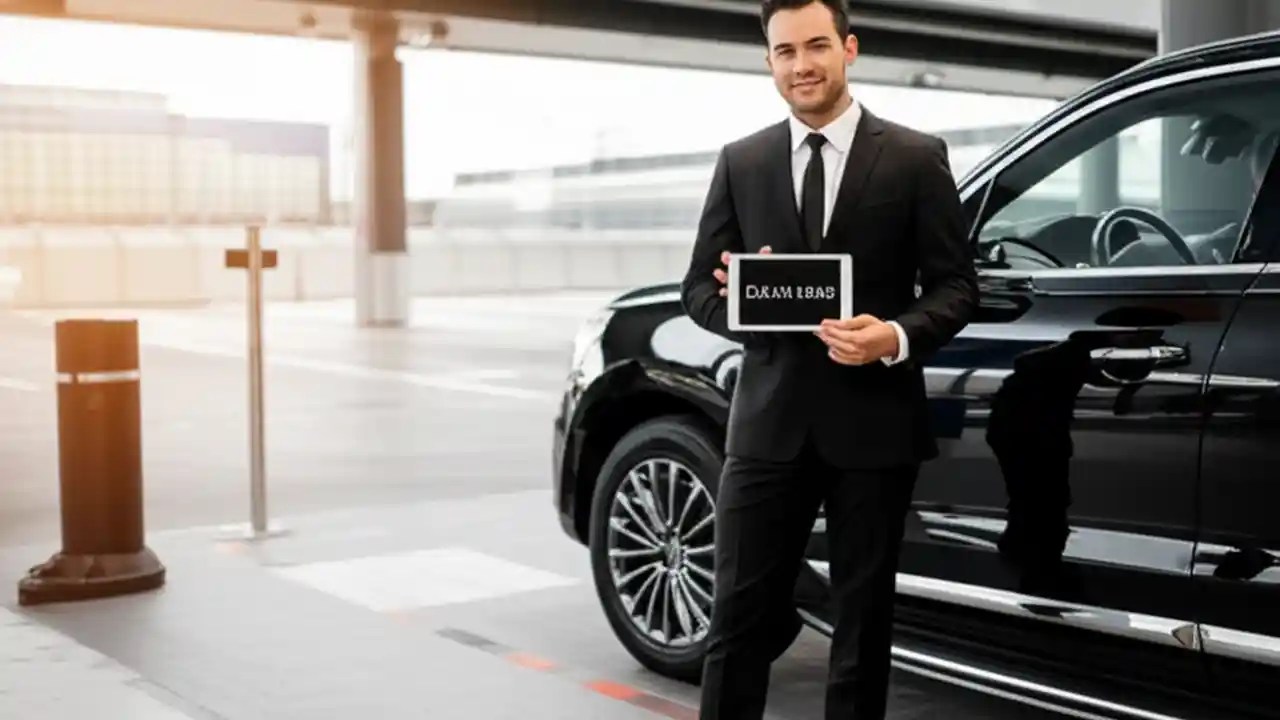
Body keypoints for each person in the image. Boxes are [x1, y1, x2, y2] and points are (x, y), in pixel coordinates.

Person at [678, 1, 979, 718]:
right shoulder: (742, 161)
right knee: (736, 622)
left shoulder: (914, 156)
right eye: (785, 52)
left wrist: (894, 336)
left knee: (861, 630)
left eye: (816, 46)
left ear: (849, 48)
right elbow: (697, 289)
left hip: (874, 425)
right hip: (768, 424)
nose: (801, 65)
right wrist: (747, 307)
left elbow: (957, 287)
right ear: (769, 62)